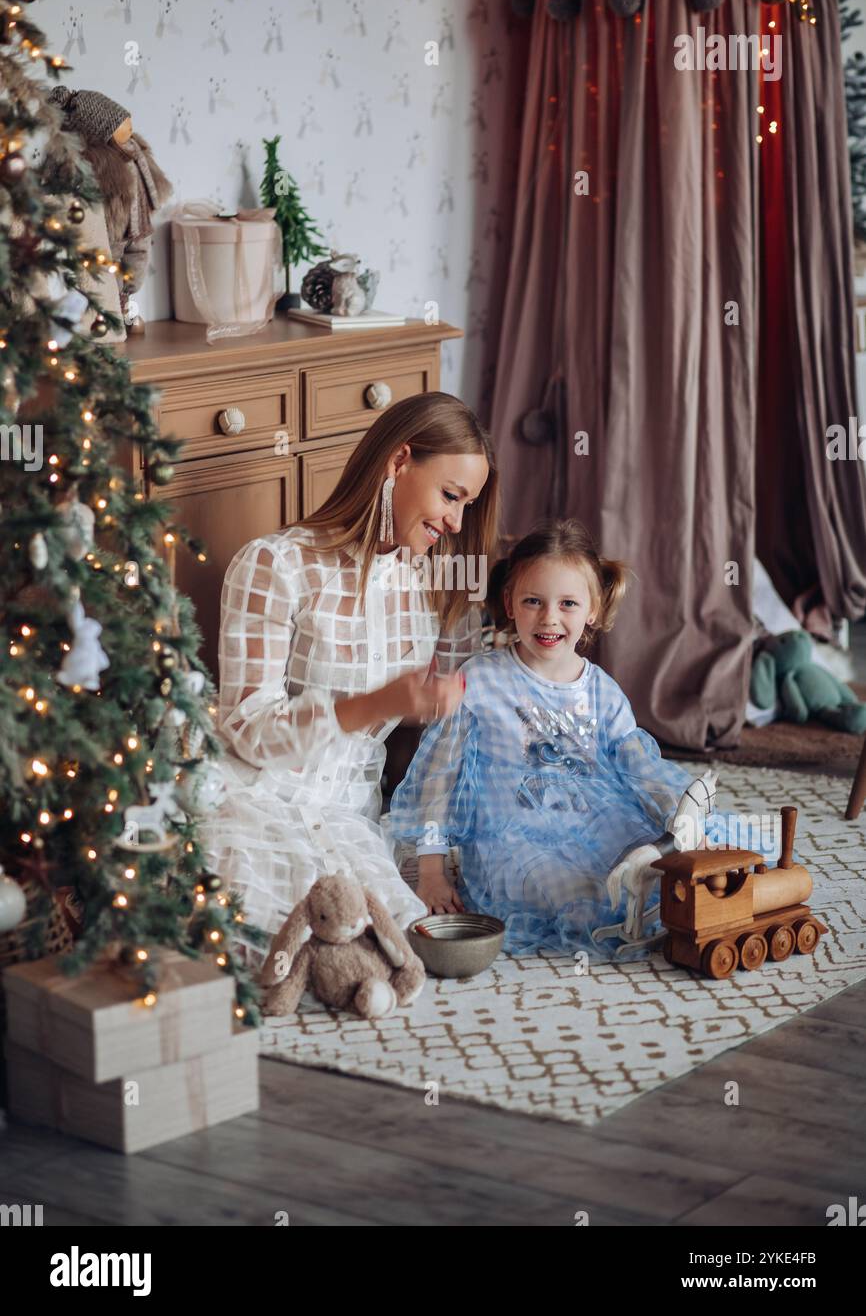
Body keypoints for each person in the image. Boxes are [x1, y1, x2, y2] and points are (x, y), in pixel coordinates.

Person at [198, 392, 498, 975]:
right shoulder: (275, 565)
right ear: (398, 462)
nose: (457, 522)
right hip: (257, 791)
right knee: (258, 947)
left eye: (468, 505)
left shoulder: (438, 583)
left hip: (348, 813)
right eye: (450, 496)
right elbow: (247, 731)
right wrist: (374, 705)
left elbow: (455, 733)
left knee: (392, 945)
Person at [389, 519, 747, 956]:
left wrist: (687, 822)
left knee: (651, 859)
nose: (549, 618)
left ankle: (657, 901)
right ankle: (616, 920)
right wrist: (431, 871)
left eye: (568, 604)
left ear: (593, 609)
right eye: (533, 601)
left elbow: (641, 769)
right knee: (572, 894)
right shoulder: (479, 681)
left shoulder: (602, 692)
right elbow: (438, 779)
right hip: (514, 834)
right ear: (510, 602)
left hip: (590, 820)